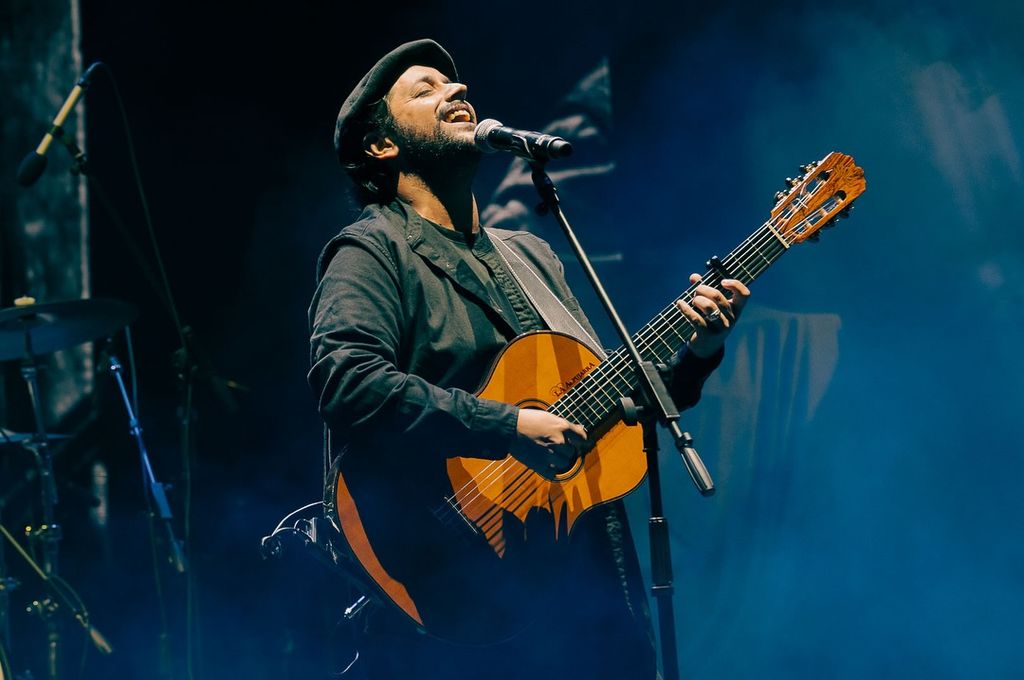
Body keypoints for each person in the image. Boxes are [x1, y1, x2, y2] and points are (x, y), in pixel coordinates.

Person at [307, 39, 750, 679]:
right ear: (381, 146)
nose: (457, 90)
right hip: (454, 574)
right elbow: (348, 383)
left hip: (587, 588)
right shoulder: (373, 250)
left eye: (455, 83)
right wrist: (508, 425)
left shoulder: (530, 256)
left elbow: (615, 399)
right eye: (426, 89)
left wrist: (699, 349)